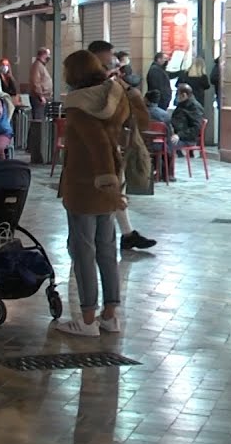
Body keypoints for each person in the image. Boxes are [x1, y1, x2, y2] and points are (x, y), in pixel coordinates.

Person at [56, 49, 130, 337]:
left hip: (85, 187)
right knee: (107, 250)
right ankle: (110, 316)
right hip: (107, 190)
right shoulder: (111, 98)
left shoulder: (80, 106)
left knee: (83, 252)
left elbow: (97, 145)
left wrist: (105, 179)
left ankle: (87, 319)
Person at [87, 41, 157, 251]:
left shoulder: (109, 83)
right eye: (108, 60)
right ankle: (96, 241)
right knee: (105, 193)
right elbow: (104, 111)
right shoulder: (87, 85)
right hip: (94, 150)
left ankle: (126, 234)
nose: (112, 64)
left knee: (118, 188)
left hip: (110, 145)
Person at [29, 48, 52, 120]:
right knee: (38, 119)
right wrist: (41, 96)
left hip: (43, 98)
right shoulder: (37, 66)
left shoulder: (41, 66)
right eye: (48, 54)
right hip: (38, 99)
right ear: (43, 55)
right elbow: (35, 82)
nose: (49, 57)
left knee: (41, 118)